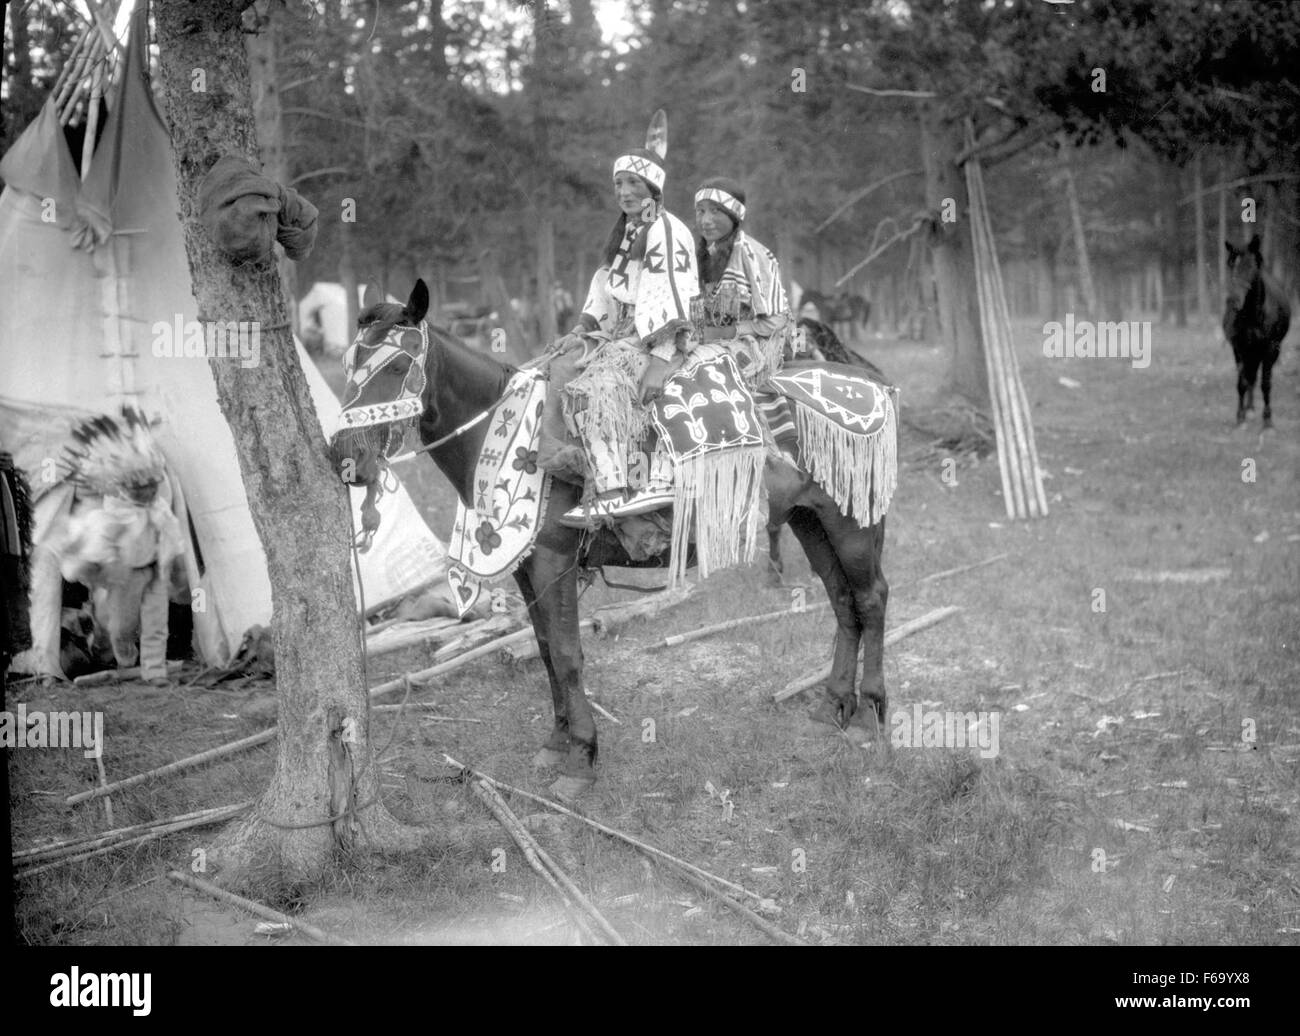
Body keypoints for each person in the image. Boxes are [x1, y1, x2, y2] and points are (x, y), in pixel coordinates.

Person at [534, 110, 699, 523]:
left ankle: (618, 488)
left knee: (594, 391)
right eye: (619, 184)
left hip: (659, 340)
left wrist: (661, 361)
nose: (624, 192)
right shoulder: (626, 233)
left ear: (653, 189)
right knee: (554, 372)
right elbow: (606, 290)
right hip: (623, 334)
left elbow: (669, 294)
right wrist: (582, 330)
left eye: (633, 184)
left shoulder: (666, 230)